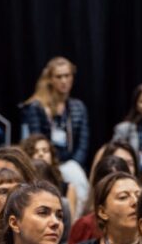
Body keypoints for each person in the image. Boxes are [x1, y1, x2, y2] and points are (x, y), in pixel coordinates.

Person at [20, 57, 91, 204]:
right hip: (45, 161)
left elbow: (83, 141)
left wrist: (74, 163)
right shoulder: (37, 106)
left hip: (71, 163)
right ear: (50, 79)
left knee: (78, 181)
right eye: (59, 77)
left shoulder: (78, 107)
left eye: (67, 76)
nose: (64, 81)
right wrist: (52, 164)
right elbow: (35, 139)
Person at [22, 133, 78, 216]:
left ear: (52, 155)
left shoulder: (68, 188)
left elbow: (70, 221)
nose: (41, 154)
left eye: (45, 150)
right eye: (35, 151)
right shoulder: (21, 187)